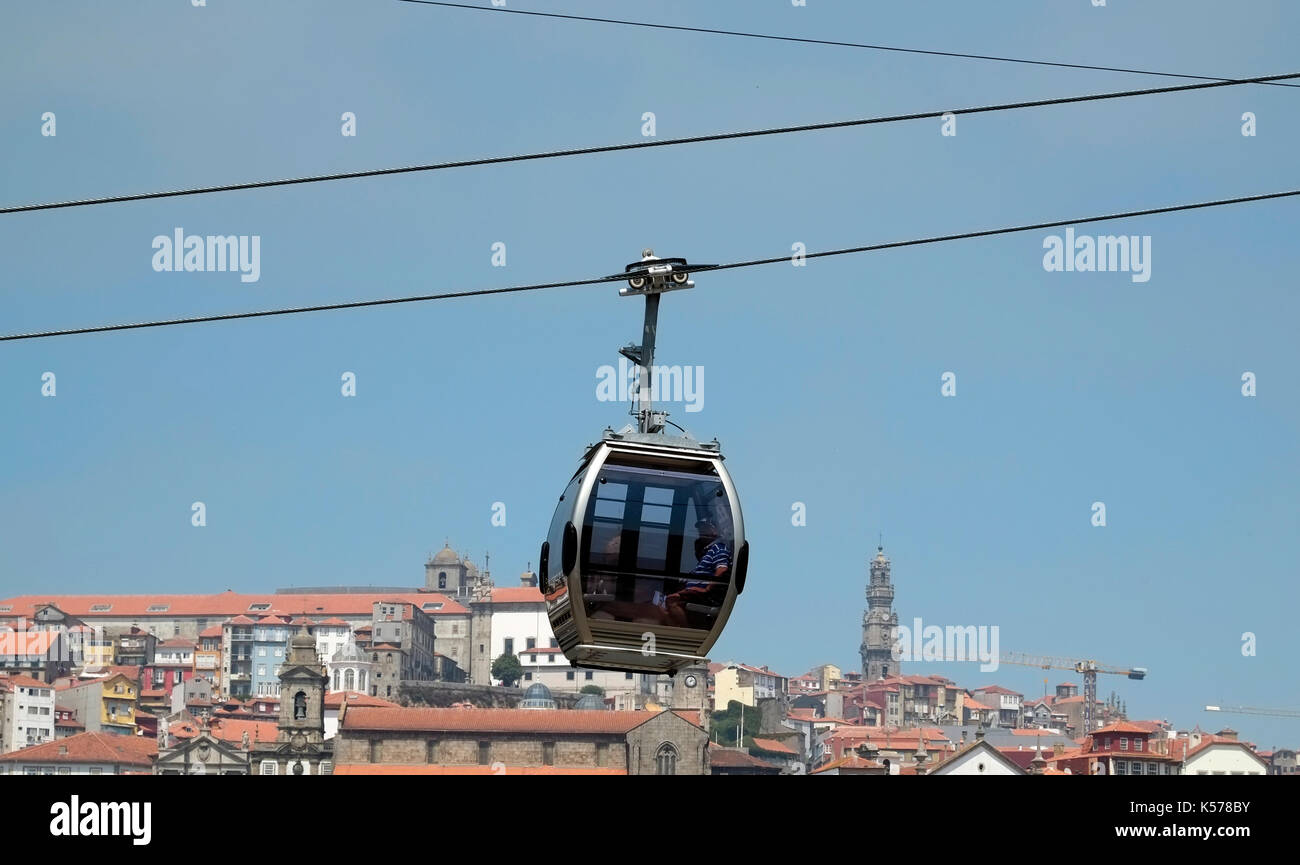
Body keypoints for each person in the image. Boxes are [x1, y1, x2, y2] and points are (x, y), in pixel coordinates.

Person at [664, 519, 730, 627]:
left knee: (672, 601)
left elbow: (722, 569)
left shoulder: (718, 548)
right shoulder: (705, 553)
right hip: (692, 592)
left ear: (715, 531)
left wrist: (707, 589)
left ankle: (684, 635)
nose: (701, 532)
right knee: (661, 608)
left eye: (705, 528)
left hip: (702, 595)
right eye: (700, 529)